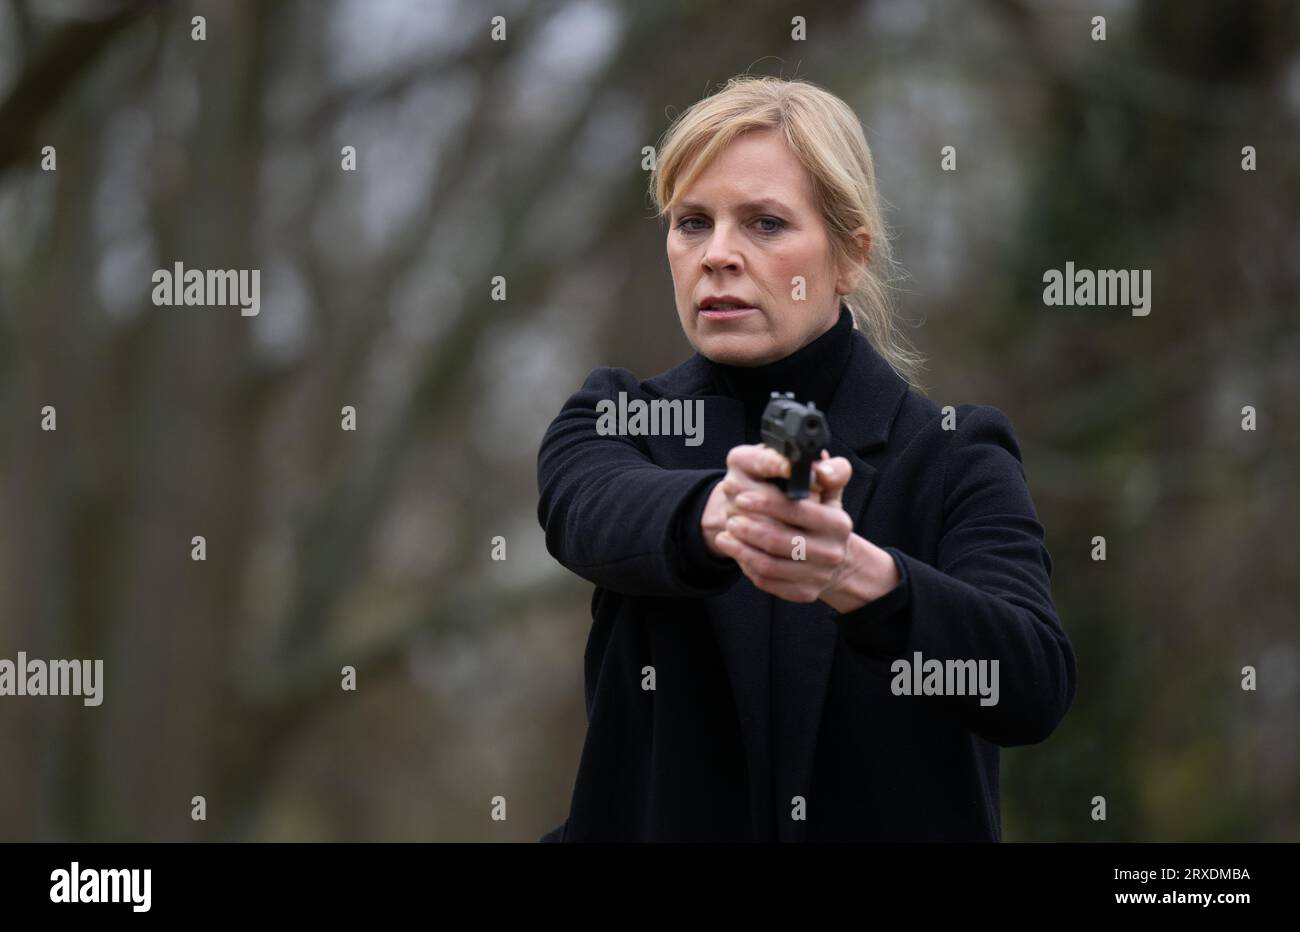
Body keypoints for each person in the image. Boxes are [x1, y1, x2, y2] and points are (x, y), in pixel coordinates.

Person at [535, 75, 1076, 842]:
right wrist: (717, 514)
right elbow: (588, 510)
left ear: (849, 256)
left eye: (763, 223)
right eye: (693, 222)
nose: (718, 255)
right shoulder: (617, 417)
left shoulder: (955, 454)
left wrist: (860, 575)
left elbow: (1031, 684)